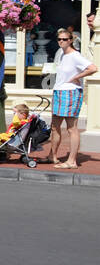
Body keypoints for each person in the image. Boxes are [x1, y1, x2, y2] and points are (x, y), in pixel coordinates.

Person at [46, 28, 97, 169]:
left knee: (71, 128)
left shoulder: (75, 55)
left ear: (70, 41)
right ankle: (53, 156)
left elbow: (93, 68)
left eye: (64, 39)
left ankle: (72, 161)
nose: (61, 42)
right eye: (59, 39)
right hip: (59, 91)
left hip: (70, 92)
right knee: (55, 127)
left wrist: (77, 77)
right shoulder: (62, 55)